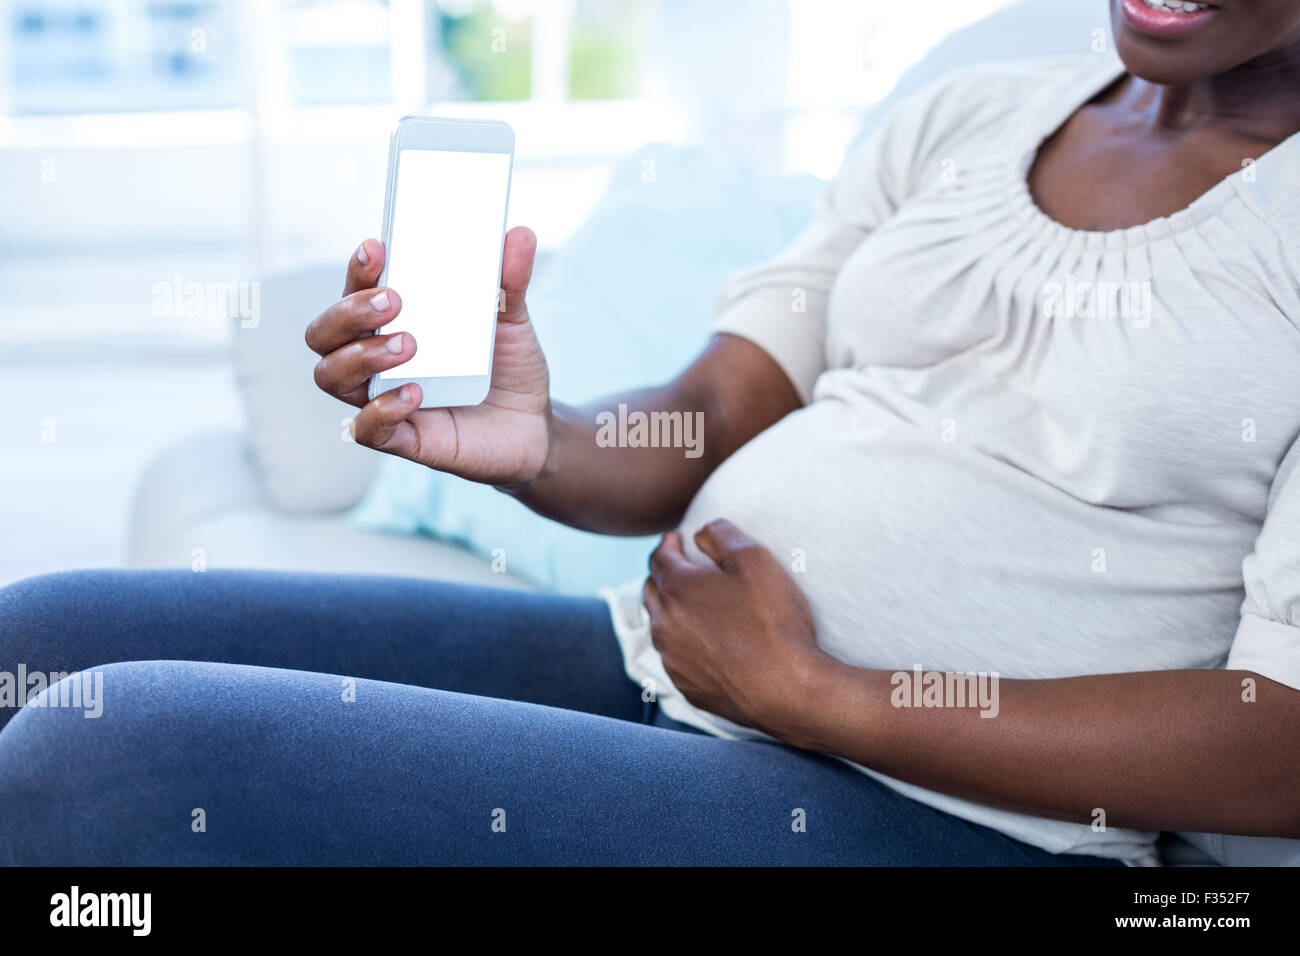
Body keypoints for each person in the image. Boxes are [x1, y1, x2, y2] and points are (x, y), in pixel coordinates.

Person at [3, 0, 1300, 865]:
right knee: (38, 641)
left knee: (104, 760)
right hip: (679, 672)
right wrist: (542, 438)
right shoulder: (972, 114)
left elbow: (1279, 737)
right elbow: (716, 408)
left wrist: (825, 698)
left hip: (960, 822)